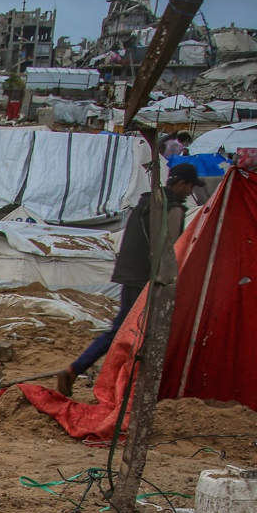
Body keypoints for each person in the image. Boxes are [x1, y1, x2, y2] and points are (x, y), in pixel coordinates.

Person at [55, 162, 202, 395]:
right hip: (148, 281)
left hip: (130, 276)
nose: (190, 192)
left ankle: (81, 370)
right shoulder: (173, 209)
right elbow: (170, 252)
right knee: (144, 334)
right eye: (190, 186)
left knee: (123, 330)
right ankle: (97, 376)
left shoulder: (146, 202)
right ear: (182, 184)